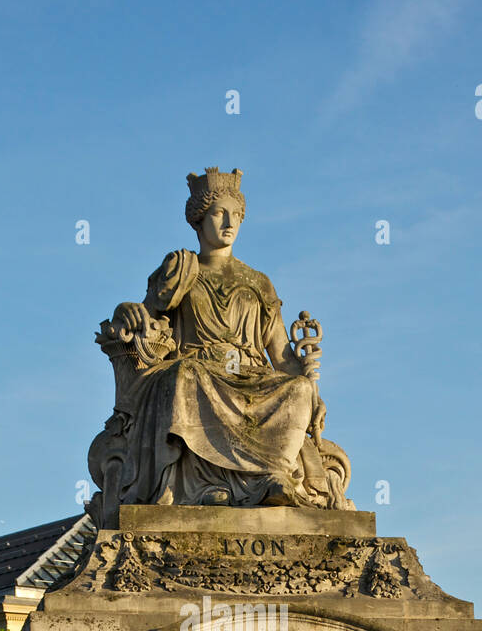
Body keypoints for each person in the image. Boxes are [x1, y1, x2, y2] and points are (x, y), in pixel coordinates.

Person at [89, 167, 350, 512]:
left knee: (298, 390)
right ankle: (204, 485)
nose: (229, 223)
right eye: (219, 213)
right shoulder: (182, 268)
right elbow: (146, 316)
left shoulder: (258, 281)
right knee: (184, 377)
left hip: (252, 374)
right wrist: (128, 310)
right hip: (202, 370)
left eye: (236, 215)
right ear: (199, 219)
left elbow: (280, 355)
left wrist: (306, 375)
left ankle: (273, 477)